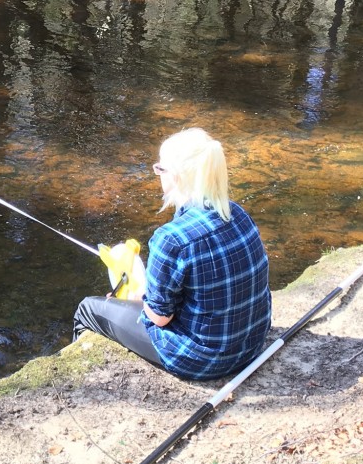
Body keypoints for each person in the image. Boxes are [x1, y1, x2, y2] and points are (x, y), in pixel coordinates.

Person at [72, 127, 271, 381]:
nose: (158, 175)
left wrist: (133, 301)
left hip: (205, 360)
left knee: (88, 308)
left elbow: (160, 317)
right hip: (252, 344)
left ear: (177, 176)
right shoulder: (238, 213)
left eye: (160, 169)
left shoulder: (170, 238)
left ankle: (81, 379)